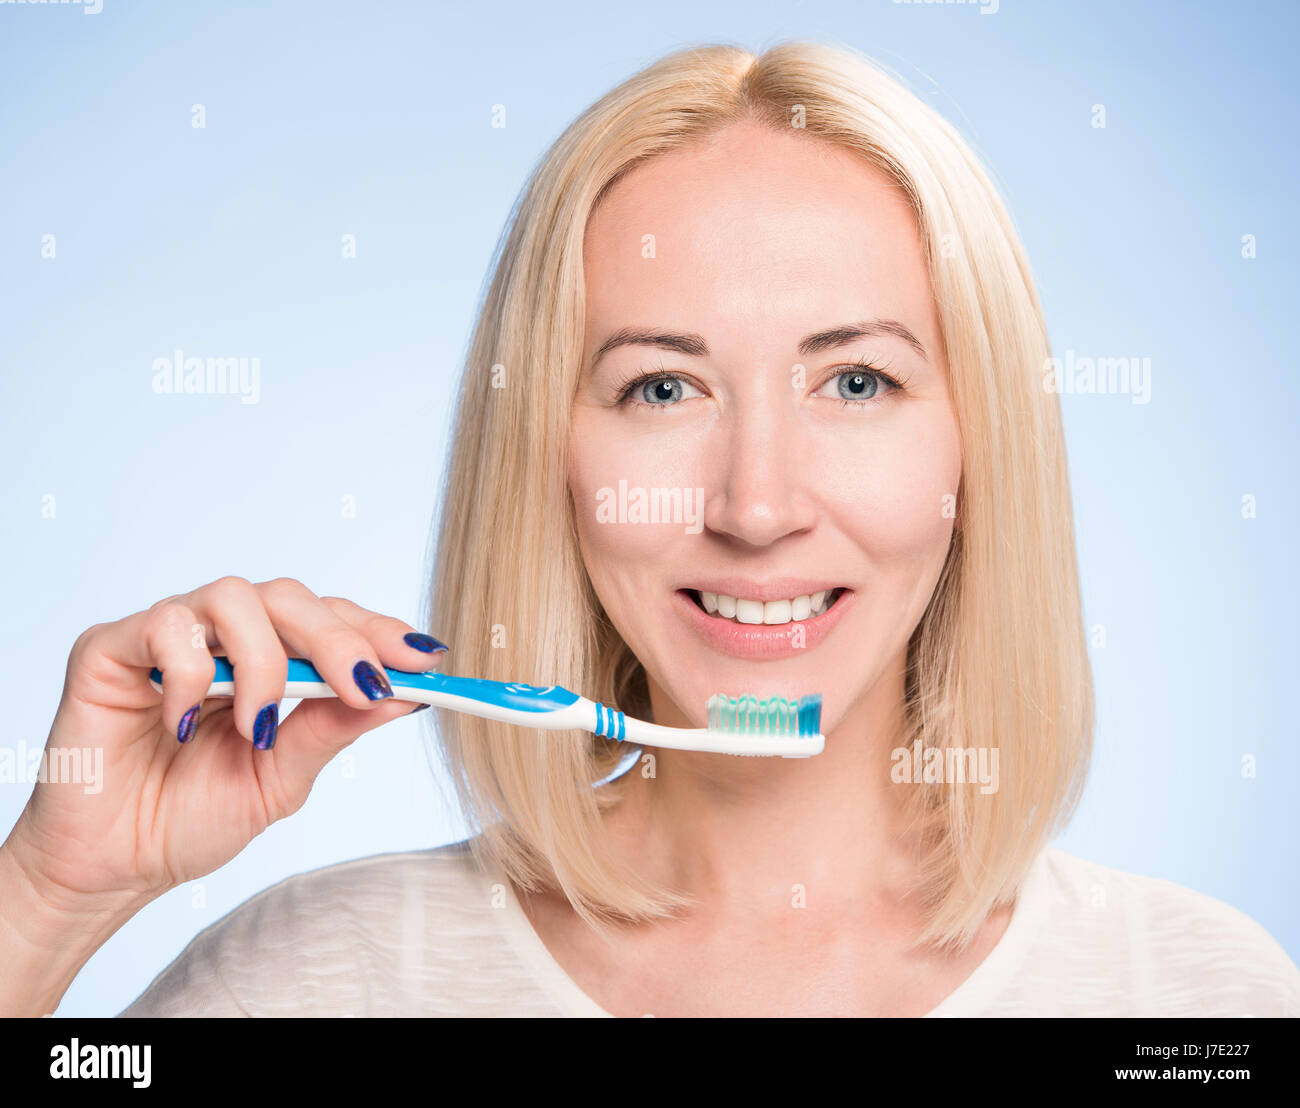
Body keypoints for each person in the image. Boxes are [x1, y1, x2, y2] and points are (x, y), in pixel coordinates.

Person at [3, 40, 1296, 1018]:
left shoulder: (1190, 1001)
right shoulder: (314, 983)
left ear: (977, 447)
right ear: (548, 458)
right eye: (661, 388)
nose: (756, 506)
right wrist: (47, 904)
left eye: (855, 382)